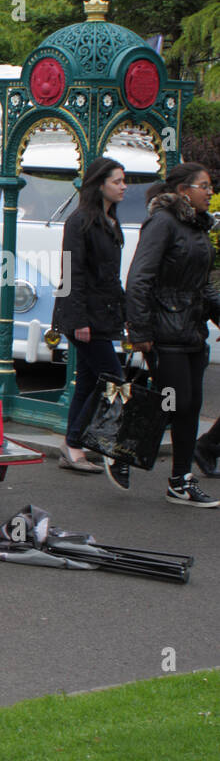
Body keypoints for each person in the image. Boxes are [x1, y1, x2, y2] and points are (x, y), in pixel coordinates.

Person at [126, 161, 220, 505]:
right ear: (183, 191)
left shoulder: (196, 227)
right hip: (165, 331)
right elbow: (139, 278)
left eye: (211, 187)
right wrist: (140, 330)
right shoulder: (162, 223)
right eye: (204, 186)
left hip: (192, 330)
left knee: (190, 405)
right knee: (174, 403)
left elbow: (203, 286)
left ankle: (180, 481)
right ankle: (122, 449)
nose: (210, 193)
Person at [50, 157, 129, 479]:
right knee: (114, 380)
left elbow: (110, 276)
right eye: (118, 181)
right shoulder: (80, 221)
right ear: (100, 184)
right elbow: (72, 272)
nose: (124, 186)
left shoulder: (110, 221)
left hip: (103, 313)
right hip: (84, 316)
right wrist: (79, 319)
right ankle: (82, 441)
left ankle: (73, 447)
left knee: (88, 381)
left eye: (124, 181)